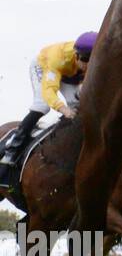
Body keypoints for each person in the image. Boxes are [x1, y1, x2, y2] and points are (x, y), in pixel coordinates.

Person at [1, 32, 96, 174]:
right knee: (42, 106)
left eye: (92, 59)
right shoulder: (57, 59)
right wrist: (63, 109)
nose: (87, 64)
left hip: (70, 73)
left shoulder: (95, 60)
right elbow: (49, 90)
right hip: (44, 66)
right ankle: (13, 148)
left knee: (76, 106)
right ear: (76, 55)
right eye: (85, 59)